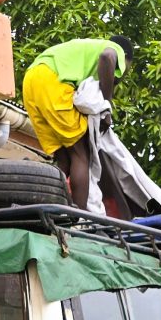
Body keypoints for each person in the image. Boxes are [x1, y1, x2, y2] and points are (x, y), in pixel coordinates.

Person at [22, 37, 132, 209]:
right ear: (125, 57)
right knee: (81, 155)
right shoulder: (114, 48)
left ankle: (43, 203)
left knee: (64, 160)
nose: (123, 75)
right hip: (53, 80)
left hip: (31, 80)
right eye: (127, 69)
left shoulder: (87, 48)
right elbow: (107, 57)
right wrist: (106, 106)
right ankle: (78, 217)